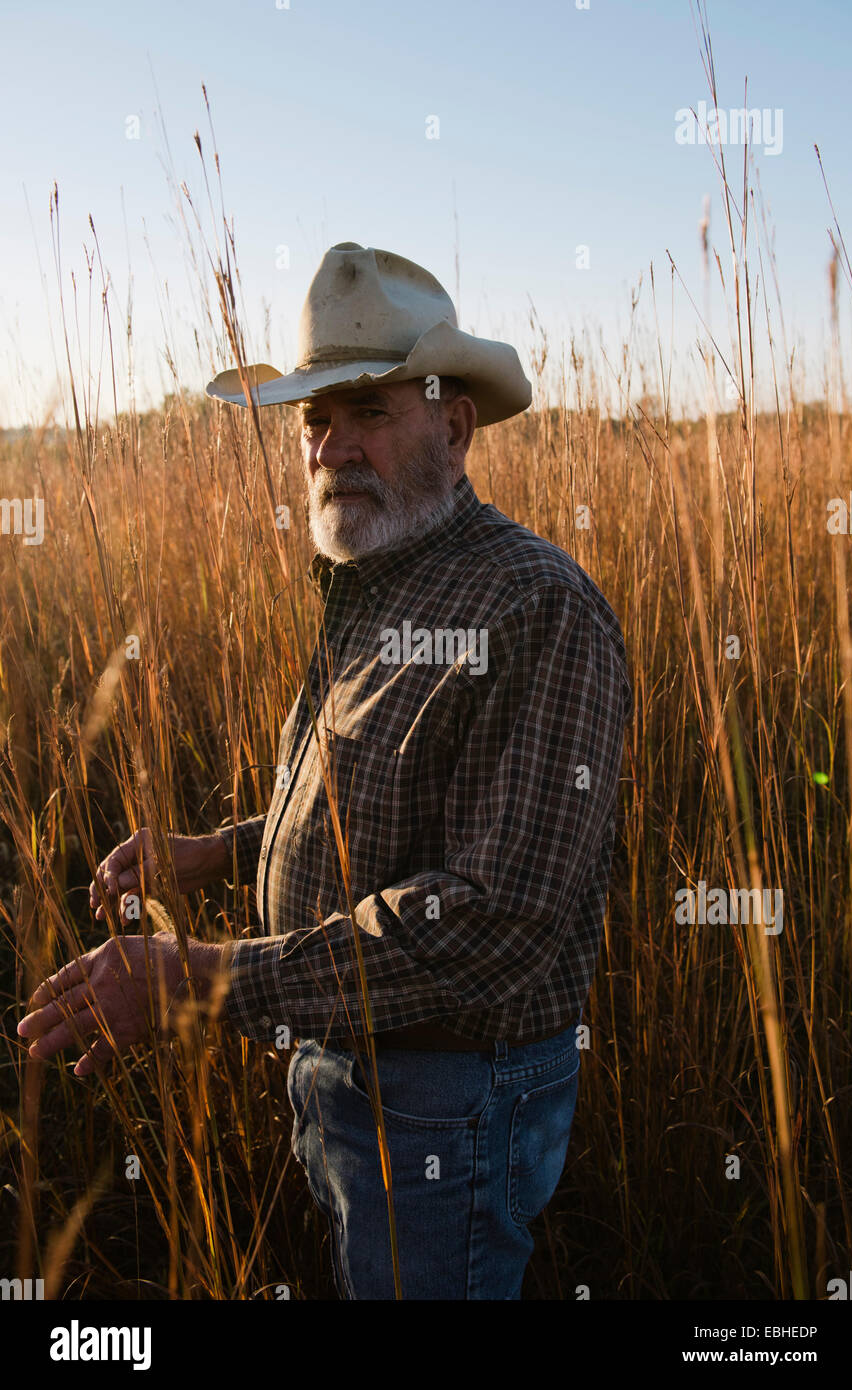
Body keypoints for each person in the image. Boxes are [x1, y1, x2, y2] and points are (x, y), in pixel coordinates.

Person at [18, 242, 632, 1300]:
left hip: (446, 1109)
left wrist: (202, 979)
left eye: (369, 411)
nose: (332, 446)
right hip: (351, 1082)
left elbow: (492, 921)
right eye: (314, 418)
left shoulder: (536, 606)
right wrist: (217, 849)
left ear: (454, 423)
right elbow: (374, 809)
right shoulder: (374, 579)